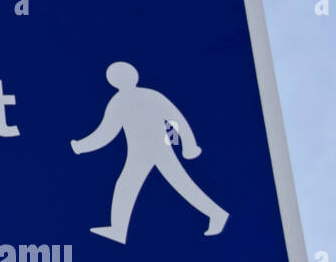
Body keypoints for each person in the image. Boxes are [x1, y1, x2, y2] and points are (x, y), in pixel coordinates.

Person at [71, 61, 229, 244]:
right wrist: (182, 144)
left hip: (154, 150)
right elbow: (174, 121)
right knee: (128, 184)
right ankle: (118, 229)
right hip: (145, 152)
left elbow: (107, 133)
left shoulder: (122, 101)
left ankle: (217, 214)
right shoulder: (145, 96)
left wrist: (81, 146)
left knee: (180, 185)